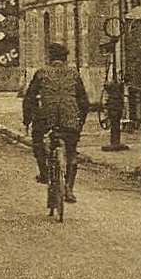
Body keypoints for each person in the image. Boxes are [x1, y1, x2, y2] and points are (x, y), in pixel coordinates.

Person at [22, 43, 92, 203]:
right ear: (65, 58)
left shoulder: (41, 74)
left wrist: (27, 119)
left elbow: (29, 99)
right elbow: (84, 102)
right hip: (70, 120)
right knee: (71, 153)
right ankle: (69, 189)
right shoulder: (74, 74)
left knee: (38, 141)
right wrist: (80, 122)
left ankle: (44, 174)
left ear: (50, 58)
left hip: (46, 119)